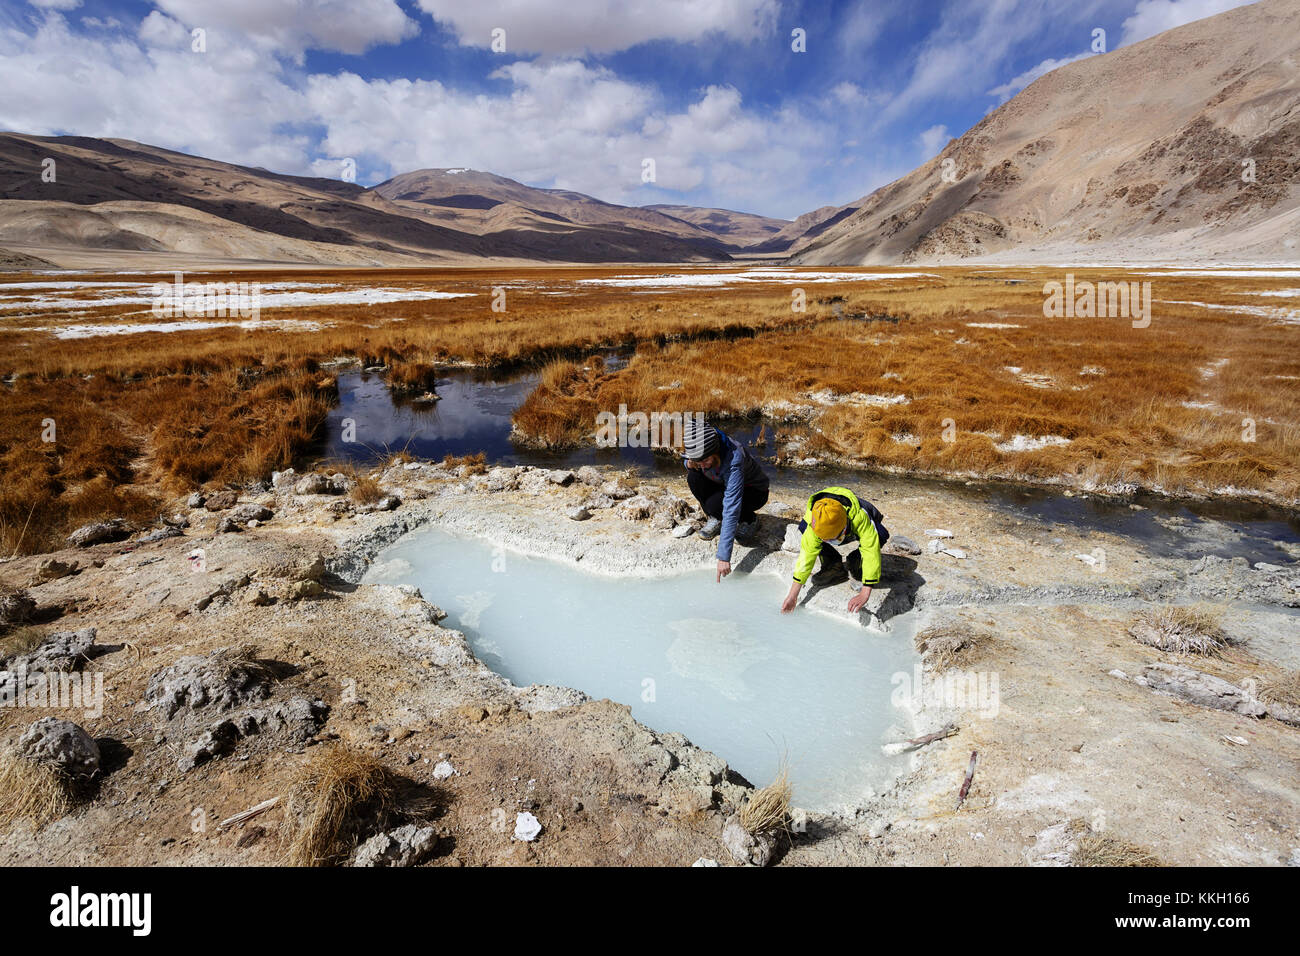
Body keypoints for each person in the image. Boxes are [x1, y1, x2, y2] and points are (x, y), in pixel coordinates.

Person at [681, 417, 770, 582]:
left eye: (706, 460)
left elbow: (731, 506)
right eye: (698, 461)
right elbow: (690, 460)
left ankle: (750, 520)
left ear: (715, 451)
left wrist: (723, 556)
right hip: (722, 483)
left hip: (755, 492)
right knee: (693, 477)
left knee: (718, 505)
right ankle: (716, 518)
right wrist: (690, 464)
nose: (703, 465)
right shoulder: (701, 446)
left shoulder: (734, 459)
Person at [781, 486, 890, 615]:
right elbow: (806, 556)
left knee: (880, 535)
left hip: (858, 516)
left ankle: (855, 561)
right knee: (804, 530)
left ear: (844, 528)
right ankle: (833, 565)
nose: (827, 541)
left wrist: (865, 592)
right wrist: (793, 595)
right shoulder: (814, 520)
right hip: (830, 523)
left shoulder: (859, 517)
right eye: (823, 539)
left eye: (831, 538)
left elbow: (870, 550)